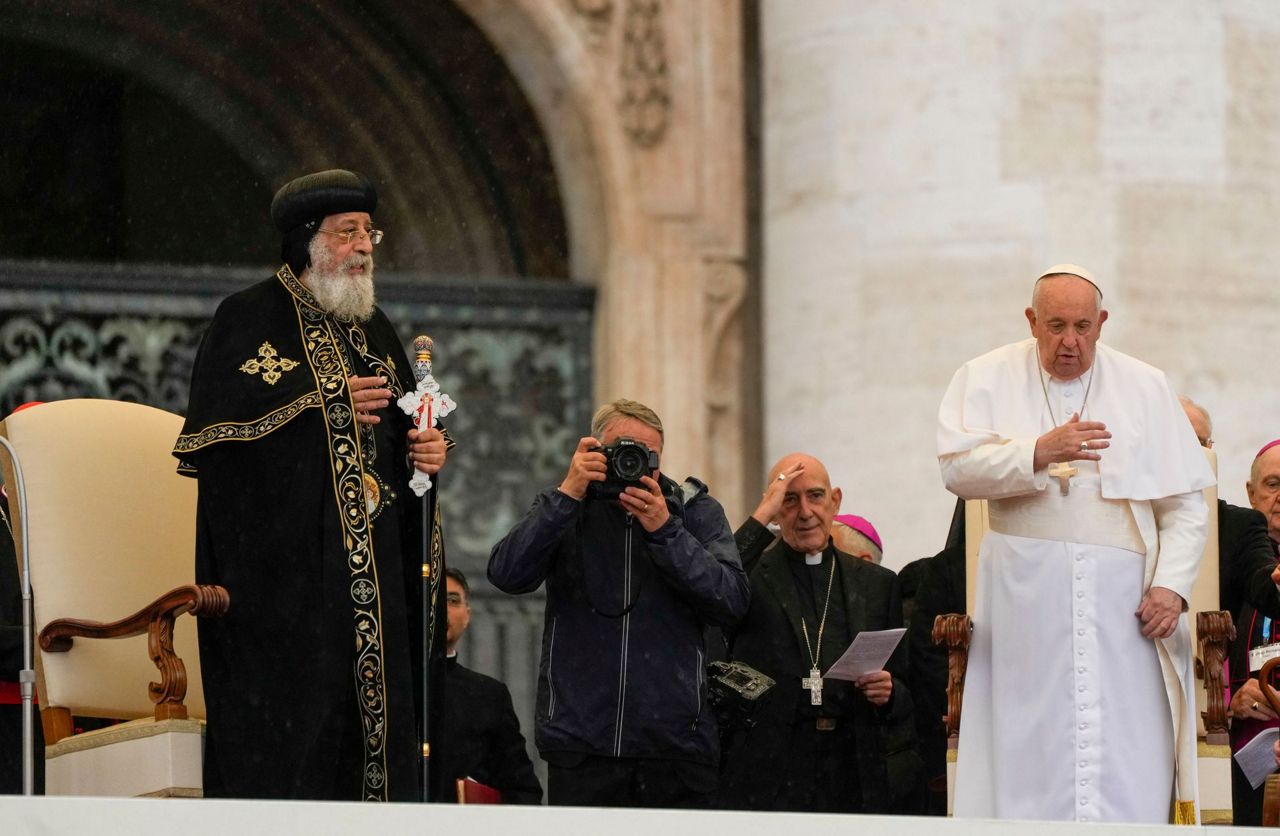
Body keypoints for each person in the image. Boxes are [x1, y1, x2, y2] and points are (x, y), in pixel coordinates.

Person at [172, 170, 450, 801]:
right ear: (306, 241)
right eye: (347, 233)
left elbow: (409, 432)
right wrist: (320, 405)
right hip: (287, 600)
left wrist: (426, 453)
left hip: (374, 596)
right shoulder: (246, 318)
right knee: (298, 761)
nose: (365, 246)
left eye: (368, 232)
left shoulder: (374, 329)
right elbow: (213, 447)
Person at [937, 264, 1214, 823]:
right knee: (1026, 742)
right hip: (1024, 602)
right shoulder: (983, 375)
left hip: (1124, 608)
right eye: (1056, 325)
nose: (1070, 342)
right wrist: (1035, 452)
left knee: (1123, 745)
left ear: (1102, 322)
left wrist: (1170, 587)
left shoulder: (1145, 385)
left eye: (1083, 327)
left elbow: (1185, 505)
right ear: (1031, 321)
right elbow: (957, 470)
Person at [487, 399, 748, 808]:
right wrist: (568, 494)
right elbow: (507, 574)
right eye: (620, 451)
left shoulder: (694, 513)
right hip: (582, 745)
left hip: (674, 746)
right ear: (593, 451)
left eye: (646, 455)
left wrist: (666, 532)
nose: (633, 463)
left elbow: (731, 600)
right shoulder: (565, 507)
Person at [719, 454, 922, 813]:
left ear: (835, 500)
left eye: (815, 495)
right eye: (789, 499)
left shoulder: (878, 584)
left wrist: (889, 693)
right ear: (775, 509)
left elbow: (906, 693)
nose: (806, 511)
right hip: (770, 773)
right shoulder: (747, 579)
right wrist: (759, 517)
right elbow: (713, 586)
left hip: (852, 771)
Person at [438, 568, 542, 804]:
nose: (441, 608)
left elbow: (522, 790)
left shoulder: (489, 696)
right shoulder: (384, 687)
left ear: (467, 614)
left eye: (453, 600)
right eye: (431, 597)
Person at [1221, 436, 1280, 824]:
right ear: (1251, 492)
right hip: (1243, 744)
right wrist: (1230, 701)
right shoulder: (1227, 557)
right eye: (1274, 485)